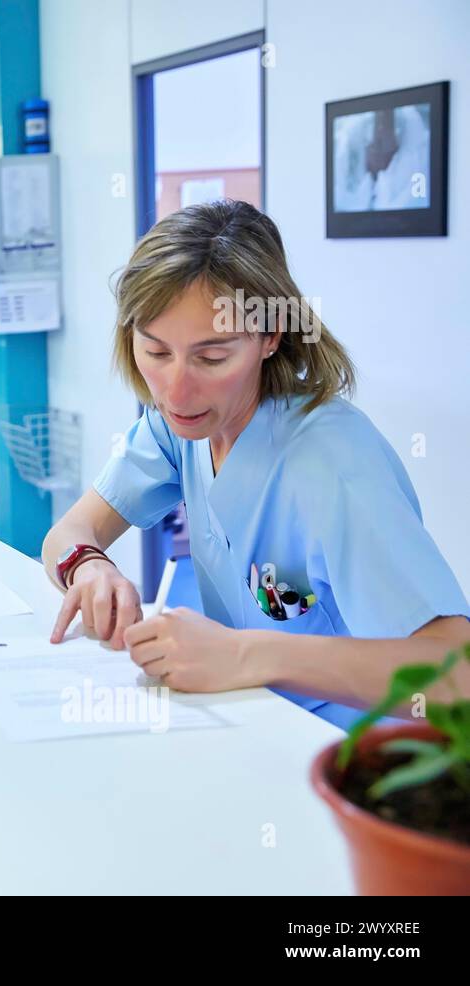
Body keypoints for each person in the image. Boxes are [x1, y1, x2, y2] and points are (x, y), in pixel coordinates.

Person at [41, 199, 470, 726]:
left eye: (212, 357)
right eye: (155, 352)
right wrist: (88, 565)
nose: (176, 389)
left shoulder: (333, 465)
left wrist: (246, 654)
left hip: (355, 756)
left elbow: (456, 677)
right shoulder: (183, 427)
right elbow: (69, 532)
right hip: (254, 725)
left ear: (271, 336)